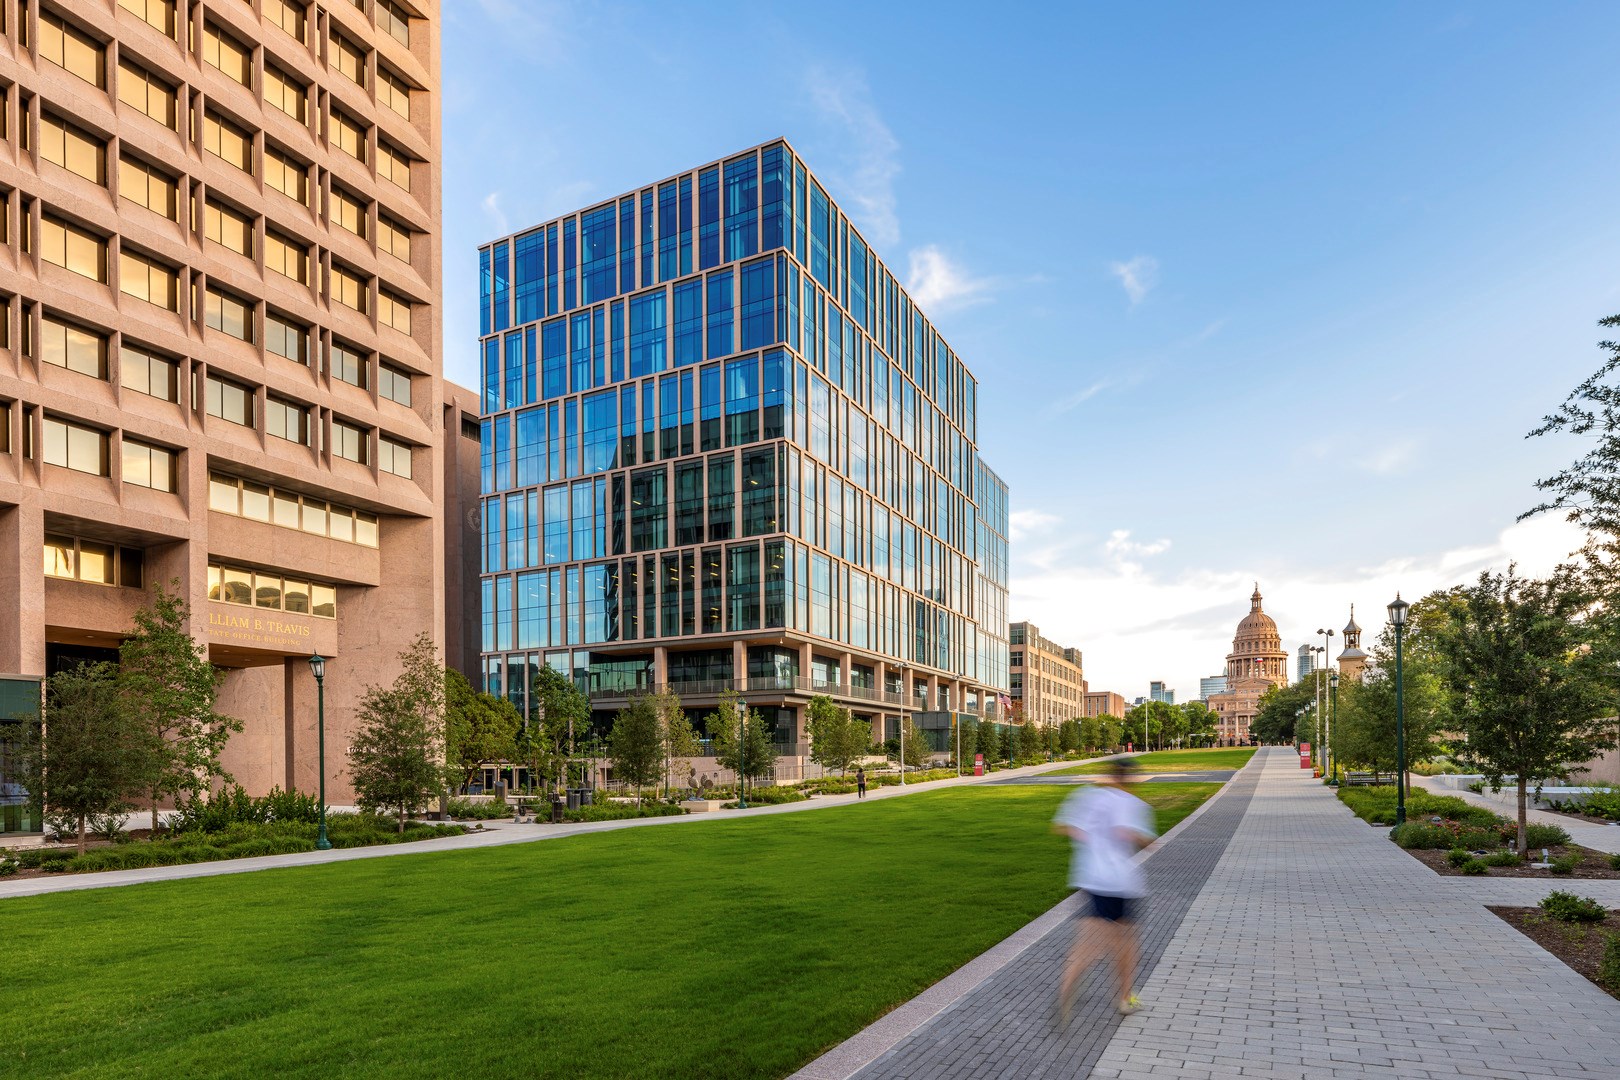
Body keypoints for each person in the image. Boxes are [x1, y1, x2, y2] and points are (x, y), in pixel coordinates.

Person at [1052, 757, 1157, 1021]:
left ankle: (1069, 989)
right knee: (1122, 943)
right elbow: (1134, 835)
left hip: (1090, 878)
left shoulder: (1088, 796)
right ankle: (1124, 998)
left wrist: (1090, 838)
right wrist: (1143, 839)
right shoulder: (1131, 804)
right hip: (1118, 882)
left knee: (1092, 940)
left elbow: (1063, 827)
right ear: (1130, 779)